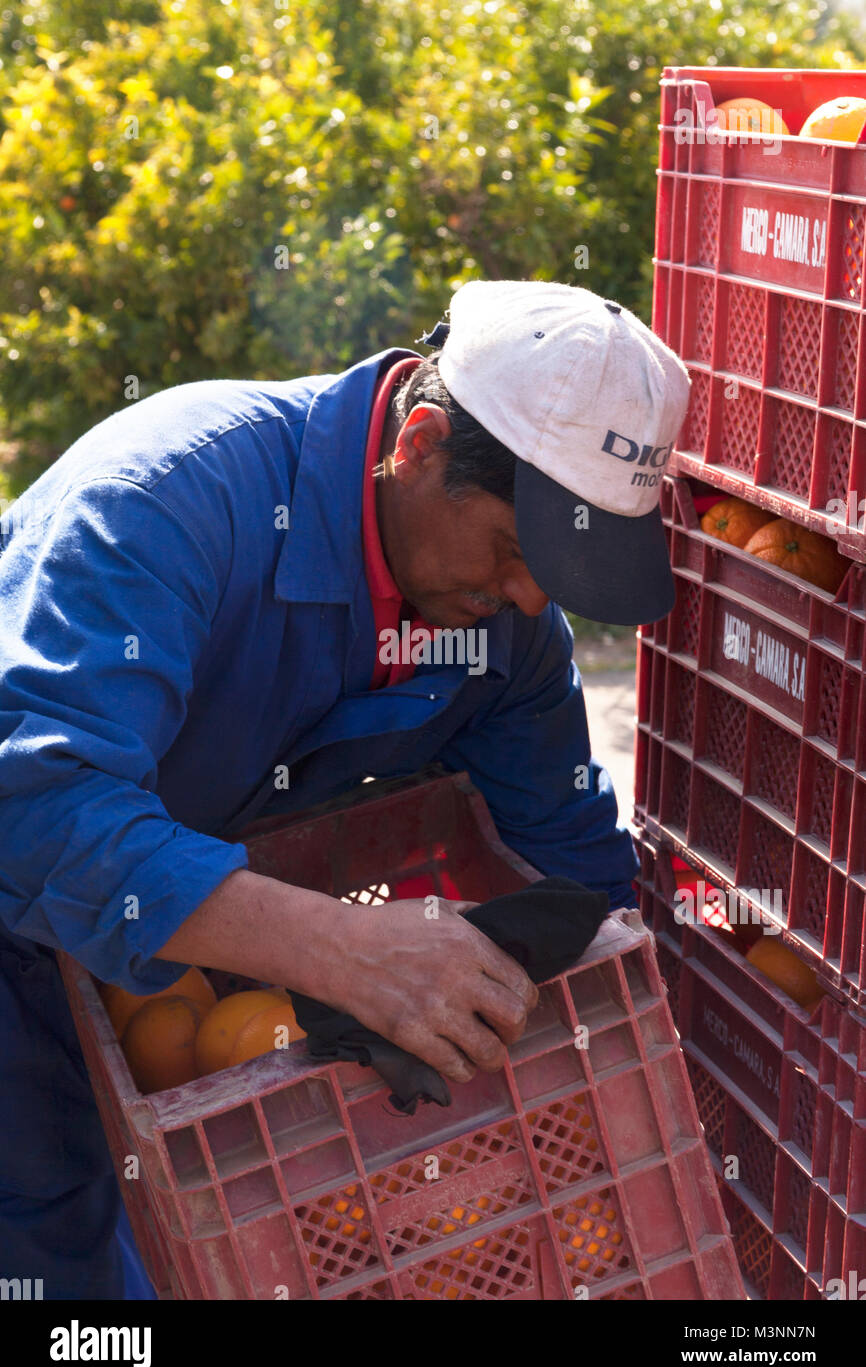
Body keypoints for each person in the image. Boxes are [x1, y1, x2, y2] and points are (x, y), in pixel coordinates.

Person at [0, 279, 690, 1298]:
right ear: (416, 445)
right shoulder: (169, 504)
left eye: (561, 576)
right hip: (24, 936)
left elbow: (568, 860)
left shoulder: (503, 635)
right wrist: (345, 950)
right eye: (515, 551)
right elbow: (36, 803)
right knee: (49, 1250)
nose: (532, 599)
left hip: (186, 962)